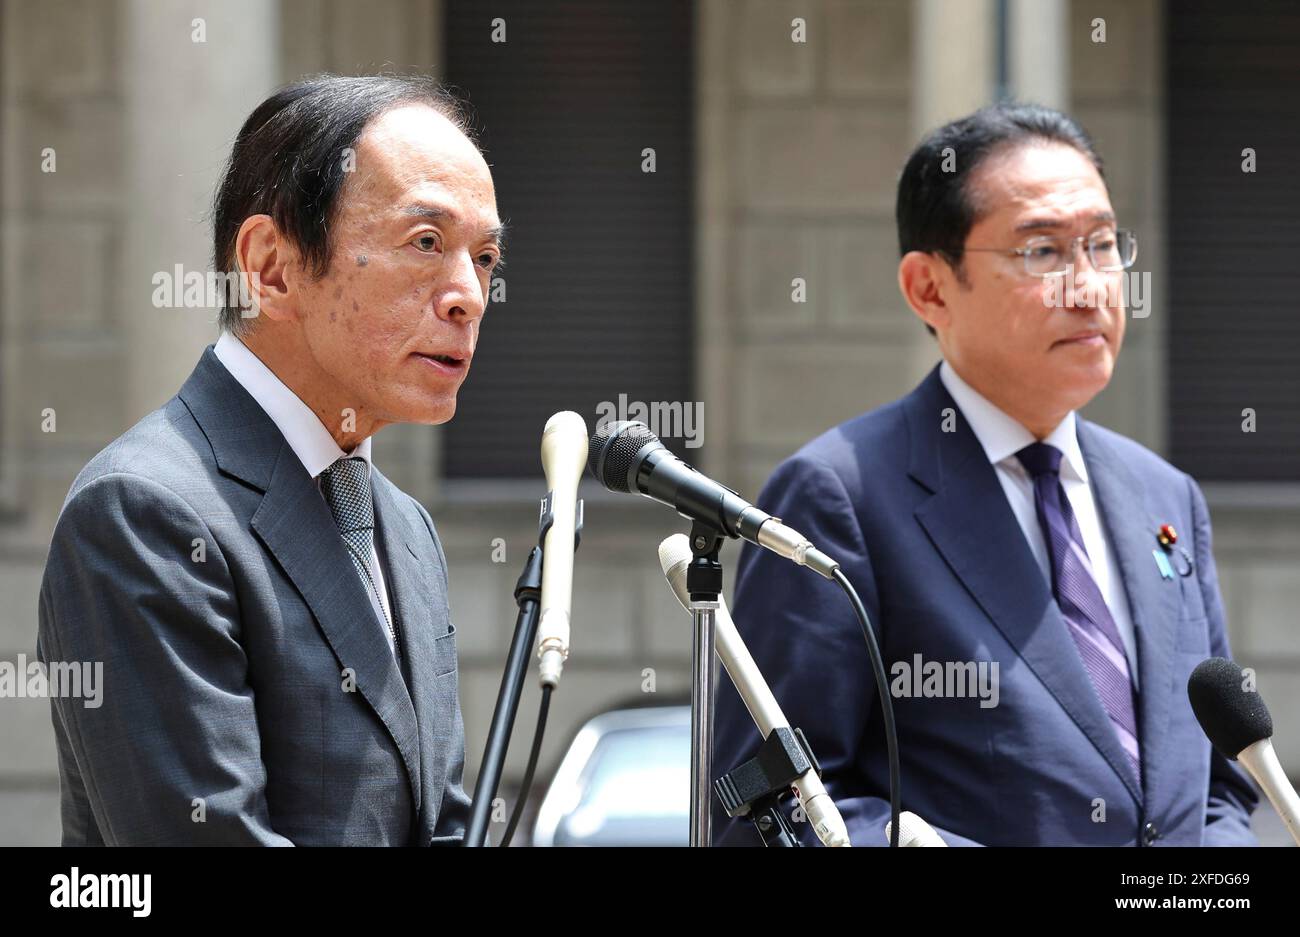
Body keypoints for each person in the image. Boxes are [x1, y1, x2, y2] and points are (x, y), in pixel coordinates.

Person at [711, 103, 1258, 847]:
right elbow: (768, 806)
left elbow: (1219, 787)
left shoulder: (1164, 495)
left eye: (1103, 244)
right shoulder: (840, 496)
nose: (1089, 284)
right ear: (930, 288)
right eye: (1042, 251)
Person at [37, 75, 504, 845]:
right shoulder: (144, 511)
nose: (469, 295)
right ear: (272, 267)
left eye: (484, 256)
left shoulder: (404, 527)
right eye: (426, 243)